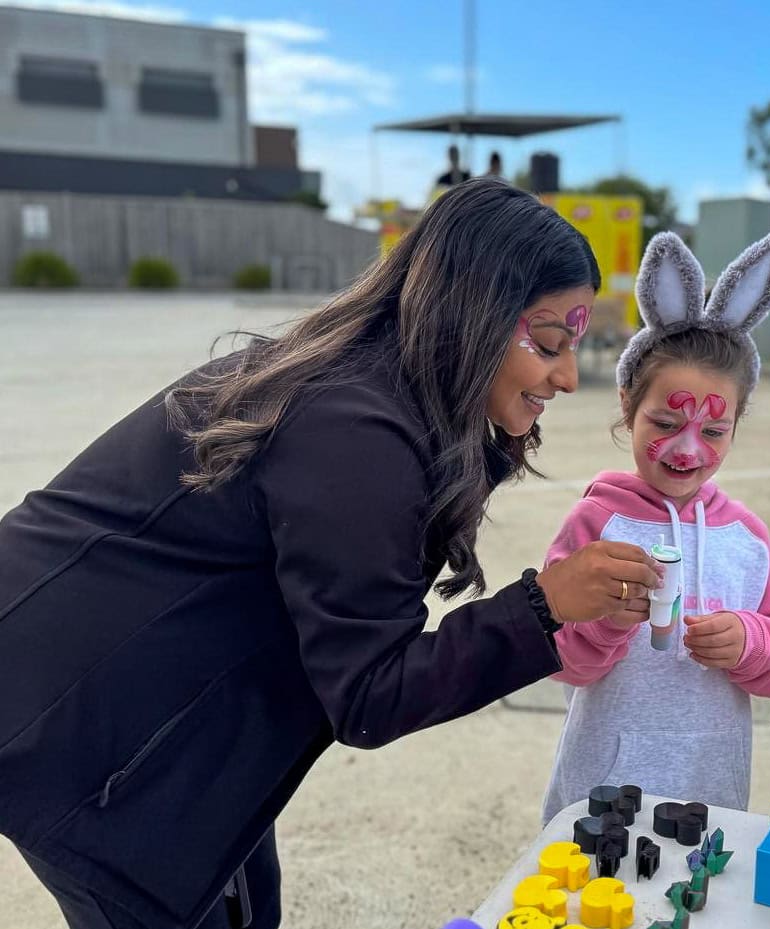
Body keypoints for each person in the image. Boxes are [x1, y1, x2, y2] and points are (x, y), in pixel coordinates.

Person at [0, 177, 662, 929]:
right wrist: (543, 606)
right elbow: (371, 691)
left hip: (146, 705)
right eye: (547, 343)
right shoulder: (353, 431)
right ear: (473, 315)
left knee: (247, 907)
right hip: (77, 723)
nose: (567, 376)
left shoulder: (375, 389)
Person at [540, 231, 770, 822]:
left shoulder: (745, 537)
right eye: (666, 423)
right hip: (603, 791)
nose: (688, 450)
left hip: (711, 791)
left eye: (713, 431)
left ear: (737, 423)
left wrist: (749, 641)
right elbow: (558, 658)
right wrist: (607, 623)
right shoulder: (597, 522)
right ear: (627, 407)